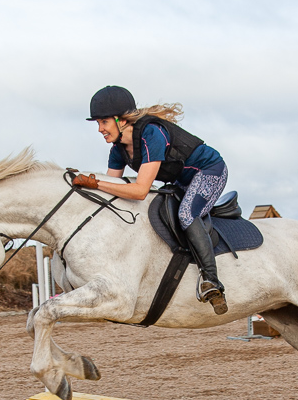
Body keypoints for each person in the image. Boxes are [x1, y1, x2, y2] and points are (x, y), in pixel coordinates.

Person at [75, 85, 229, 315]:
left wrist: (95, 183)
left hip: (209, 171)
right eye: (97, 123)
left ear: (122, 120)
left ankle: (211, 280)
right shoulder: (118, 149)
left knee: (187, 214)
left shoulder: (151, 134)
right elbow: (113, 189)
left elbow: (139, 191)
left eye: (103, 122)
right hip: (180, 181)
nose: (100, 129)